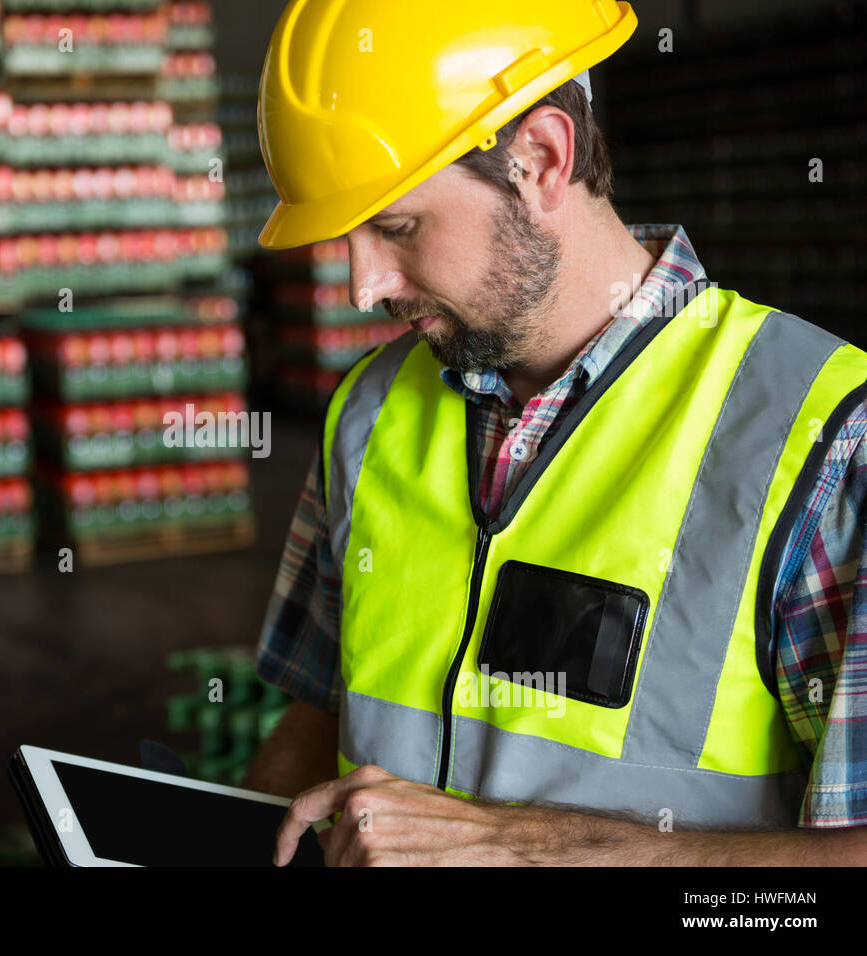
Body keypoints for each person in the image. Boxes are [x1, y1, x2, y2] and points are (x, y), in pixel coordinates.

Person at [243, 0, 867, 866]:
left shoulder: (823, 436)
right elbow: (320, 710)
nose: (363, 286)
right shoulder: (369, 410)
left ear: (539, 159)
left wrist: (522, 847)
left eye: (395, 226)